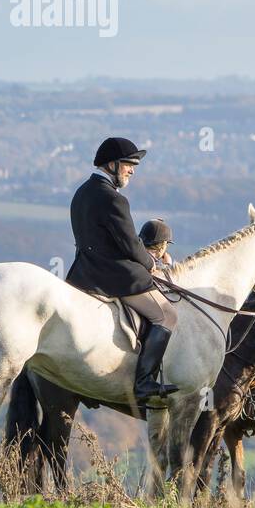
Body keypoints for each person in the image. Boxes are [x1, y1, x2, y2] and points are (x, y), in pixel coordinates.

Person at [66, 137, 178, 405]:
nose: (132, 171)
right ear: (113, 164)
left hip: (82, 273)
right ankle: (144, 382)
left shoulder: (81, 192)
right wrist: (153, 263)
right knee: (167, 316)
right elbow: (130, 245)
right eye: (129, 165)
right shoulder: (114, 200)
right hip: (113, 276)